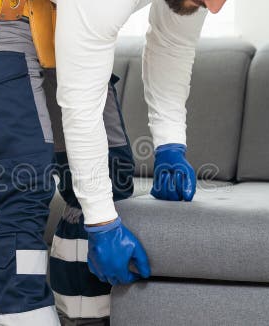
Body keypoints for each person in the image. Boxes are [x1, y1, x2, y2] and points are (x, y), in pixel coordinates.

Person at [0, 0, 138, 324]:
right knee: (26, 180)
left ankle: (86, 313)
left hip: (64, 22)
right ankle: (19, 310)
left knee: (111, 169)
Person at [54, 0, 226, 299]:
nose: (214, 8)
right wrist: (101, 223)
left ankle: (92, 315)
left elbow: (172, 45)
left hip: (72, 17)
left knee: (113, 173)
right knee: (32, 189)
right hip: (6, 22)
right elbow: (80, 109)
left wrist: (170, 145)